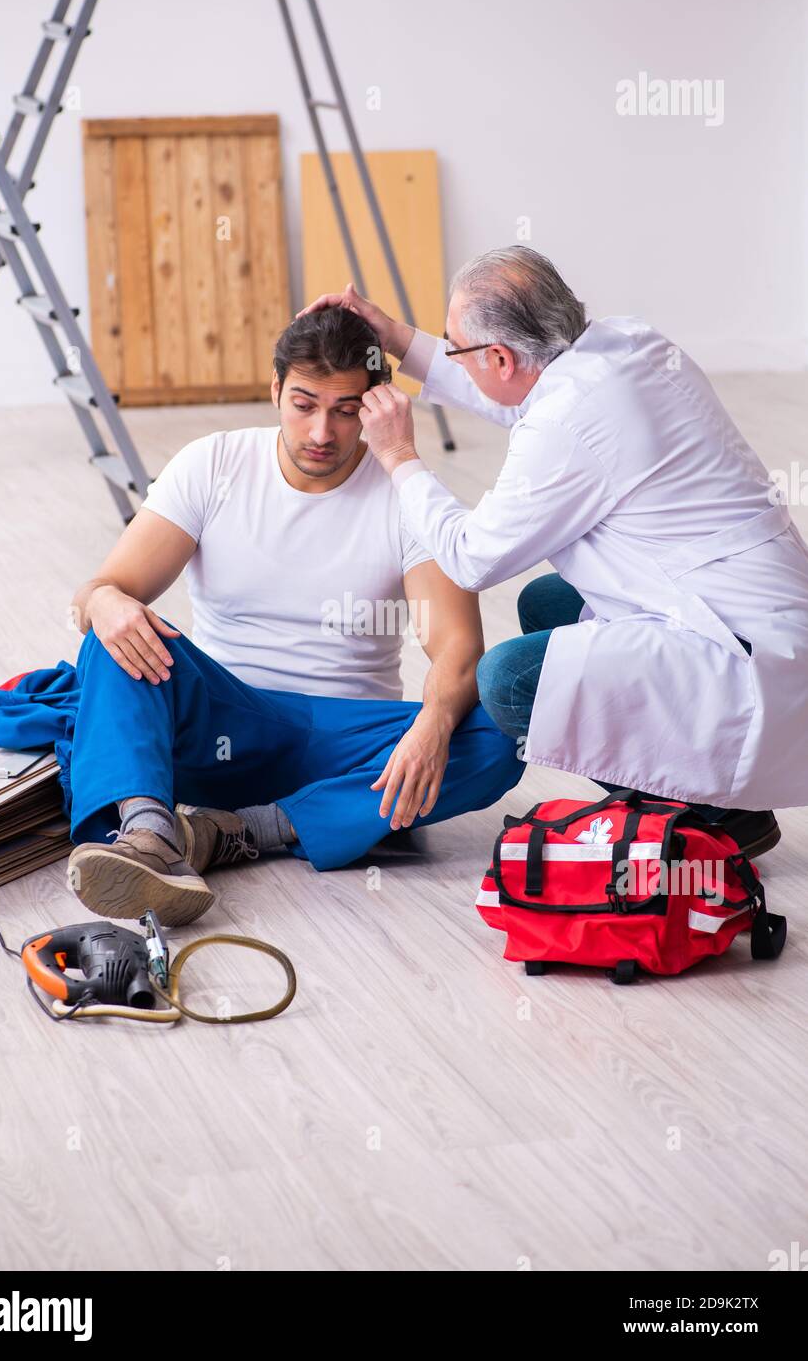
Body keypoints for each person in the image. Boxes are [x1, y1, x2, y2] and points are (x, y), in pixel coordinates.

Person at [299, 246, 808, 857]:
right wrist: (398, 338)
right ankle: (694, 805)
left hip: (741, 651)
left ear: (500, 356)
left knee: (509, 680)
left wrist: (399, 455)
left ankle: (708, 818)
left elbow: (470, 560)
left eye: (455, 346)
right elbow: (513, 391)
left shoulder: (566, 424)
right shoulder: (623, 345)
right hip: (753, 604)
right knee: (550, 602)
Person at [57, 306, 520, 925]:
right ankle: (150, 838)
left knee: (507, 726)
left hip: (345, 742)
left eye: (345, 409)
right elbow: (100, 590)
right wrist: (104, 601)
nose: (322, 431)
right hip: (225, 724)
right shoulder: (214, 464)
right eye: (304, 404)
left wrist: (434, 727)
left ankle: (242, 832)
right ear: (275, 391)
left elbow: (459, 651)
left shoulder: (410, 495)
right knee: (112, 636)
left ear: (377, 404)